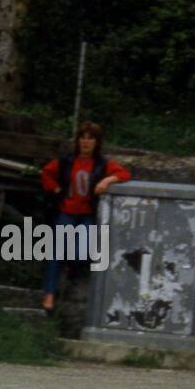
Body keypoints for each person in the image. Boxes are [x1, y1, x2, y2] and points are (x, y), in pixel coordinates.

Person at [38, 121, 131, 312]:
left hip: (87, 215)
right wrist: (56, 189)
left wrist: (107, 180)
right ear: (78, 141)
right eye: (83, 138)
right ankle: (49, 295)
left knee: (83, 253)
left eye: (91, 138)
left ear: (97, 142)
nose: (86, 142)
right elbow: (46, 173)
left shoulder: (101, 164)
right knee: (56, 253)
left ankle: (72, 265)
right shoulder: (67, 161)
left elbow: (124, 173)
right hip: (67, 212)